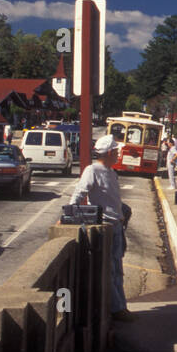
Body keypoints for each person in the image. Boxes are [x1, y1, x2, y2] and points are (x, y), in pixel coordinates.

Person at [70, 135, 133, 323]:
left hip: (116, 226)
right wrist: (68, 214)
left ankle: (120, 306)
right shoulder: (93, 170)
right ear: (109, 152)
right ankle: (117, 308)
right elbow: (80, 192)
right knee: (111, 268)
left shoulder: (111, 172)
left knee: (117, 268)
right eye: (116, 151)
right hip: (106, 226)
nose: (118, 153)